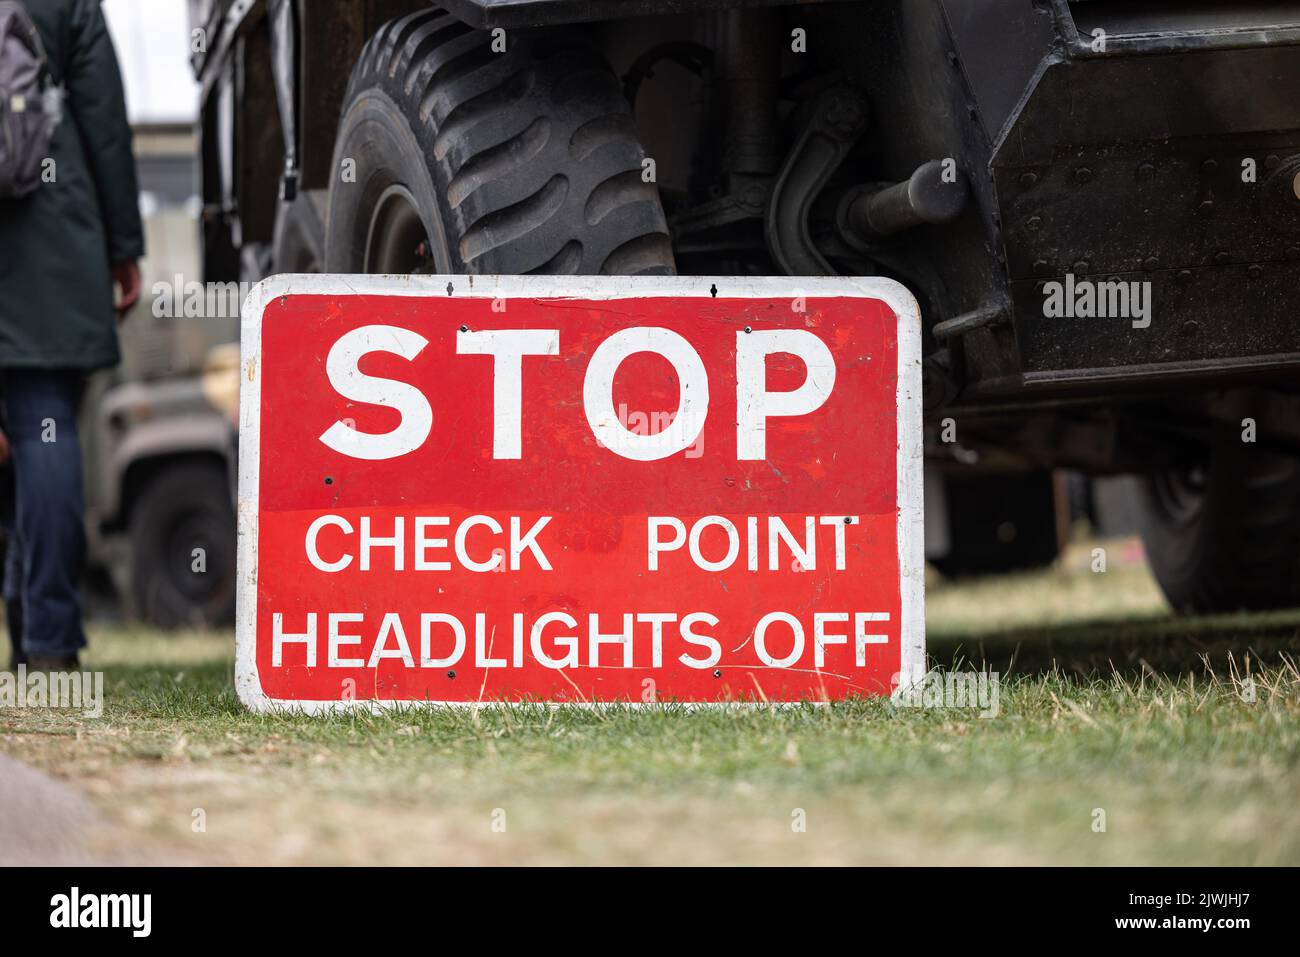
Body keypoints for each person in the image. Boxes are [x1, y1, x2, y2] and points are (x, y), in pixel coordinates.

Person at [0, 0, 142, 670]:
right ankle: (46, 636)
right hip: (48, 234)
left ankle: (26, 605)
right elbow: (104, 121)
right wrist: (122, 243)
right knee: (44, 429)